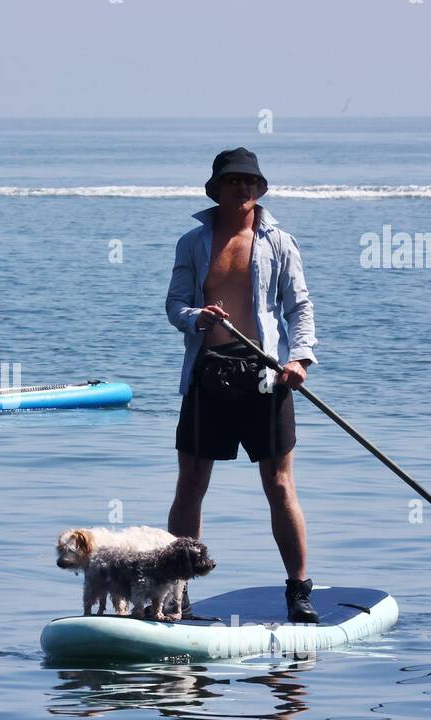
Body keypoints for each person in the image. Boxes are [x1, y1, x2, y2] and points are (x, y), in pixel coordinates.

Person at [165, 148, 320, 623]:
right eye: (234, 181)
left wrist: (300, 359)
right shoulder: (193, 243)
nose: (244, 189)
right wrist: (198, 317)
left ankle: (298, 591)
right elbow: (174, 305)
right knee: (191, 483)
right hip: (209, 373)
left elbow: (299, 307)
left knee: (278, 484)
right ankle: (177, 588)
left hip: (266, 376)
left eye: (251, 182)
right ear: (217, 188)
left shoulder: (279, 241)